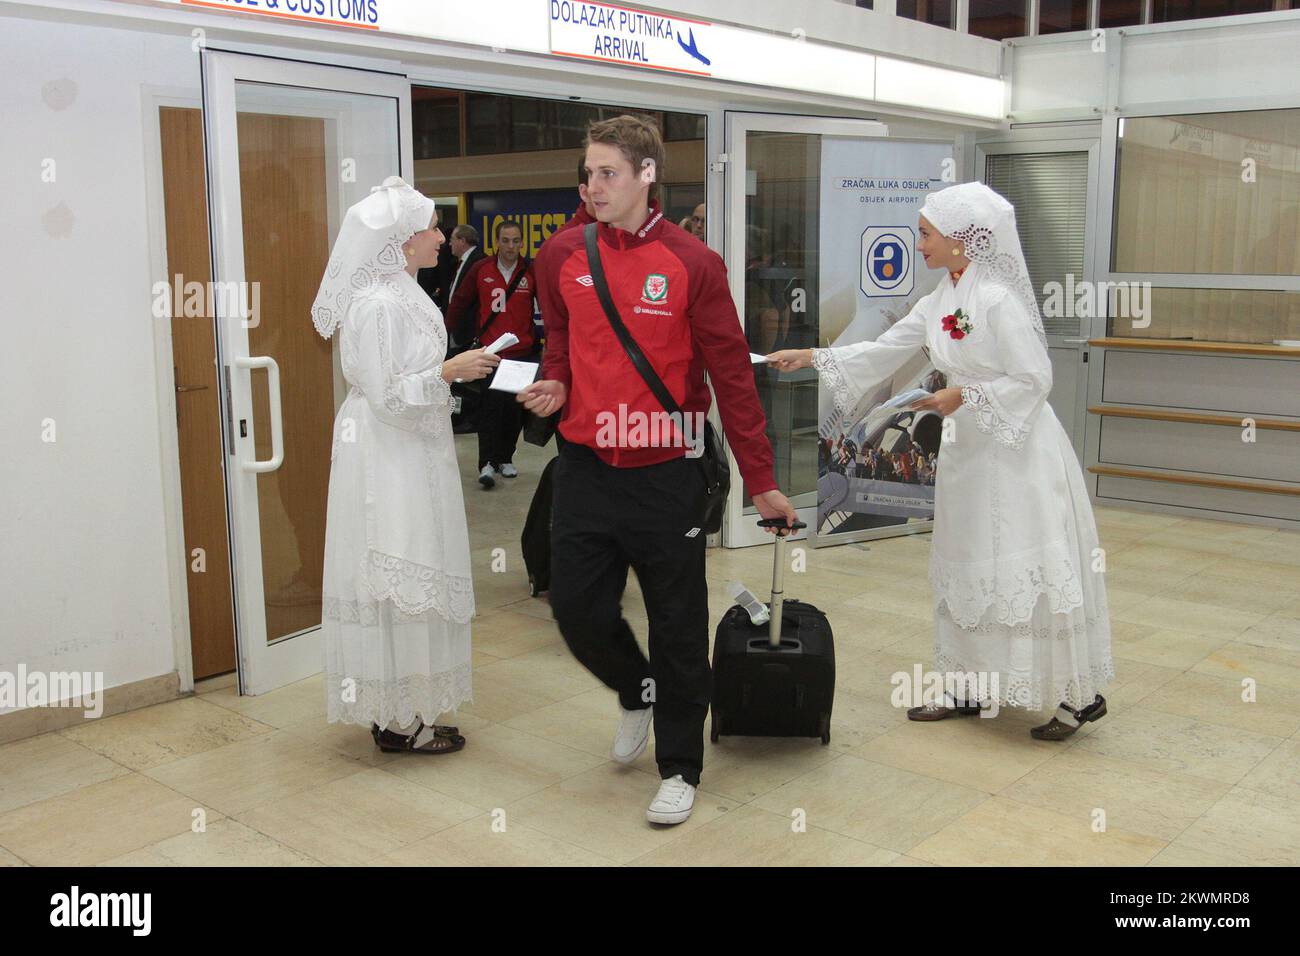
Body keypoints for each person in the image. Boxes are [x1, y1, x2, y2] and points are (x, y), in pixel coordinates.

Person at [520, 114, 797, 825]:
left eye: (608, 172)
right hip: (583, 465)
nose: (593, 185)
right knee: (578, 610)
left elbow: (732, 377)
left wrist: (760, 479)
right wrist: (555, 384)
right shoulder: (560, 255)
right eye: (588, 173)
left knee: (677, 621)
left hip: (666, 474)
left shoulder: (693, 264)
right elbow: (561, 346)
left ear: (648, 175)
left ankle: (680, 765)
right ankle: (634, 690)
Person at [768, 181, 1113, 740]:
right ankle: (969, 685)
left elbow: (1036, 379)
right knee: (967, 557)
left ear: (961, 238)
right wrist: (810, 355)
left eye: (926, 233)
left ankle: (1076, 696)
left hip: (1019, 449)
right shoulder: (939, 298)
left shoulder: (999, 300)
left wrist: (966, 396)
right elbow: (888, 348)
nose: (919, 242)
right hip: (968, 452)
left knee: (1027, 563)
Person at [311, 177, 499, 754]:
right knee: (394, 561)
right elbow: (387, 394)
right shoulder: (375, 304)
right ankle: (396, 721)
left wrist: (451, 373)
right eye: (433, 228)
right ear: (400, 240)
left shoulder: (404, 291)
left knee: (414, 560)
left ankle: (407, 703)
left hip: (416, 447)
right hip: (385, 455)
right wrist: (447, 373)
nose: (442, 237)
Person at [447, 219, 538, 488]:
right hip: (491, 354)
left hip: (521, 355)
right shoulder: (481, 269)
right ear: (496, 242)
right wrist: (445, 332)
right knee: (489, 409)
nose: (511, 246)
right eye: (505, 240)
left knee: (513, 411)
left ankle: (505, 458)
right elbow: (460, 302)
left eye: (515, 241)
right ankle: (486, 463)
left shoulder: (530, 271)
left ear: (522, 243)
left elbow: (546, 304)